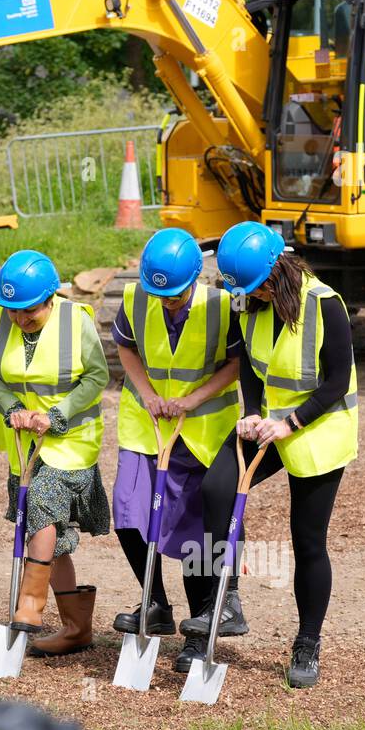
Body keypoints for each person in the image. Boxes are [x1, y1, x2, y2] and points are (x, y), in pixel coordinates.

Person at [196, 221, 358, 688]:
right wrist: (250, 411)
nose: (252, 296)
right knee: (215, 489)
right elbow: (247, 359)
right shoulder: (246, 298)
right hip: (267, 421)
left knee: (307, 541)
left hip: (318, 427)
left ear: (277, 271)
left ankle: (307, 643)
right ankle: (227, 601)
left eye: (258, 288)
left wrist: (289, 423)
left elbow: (336, 381)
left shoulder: (324, 304)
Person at [110, 228, 241, 674]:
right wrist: (147, 393)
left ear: (195, 280)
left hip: (200, 428)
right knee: (127, 511)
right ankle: (155, 604)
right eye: (160, 293)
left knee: (192, 529)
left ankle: (200, 627)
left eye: (176, 294)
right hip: (146, 423)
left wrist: (192, 400)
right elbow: (126, 348)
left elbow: (237, 364)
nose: (167, 301)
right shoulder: (137, 297)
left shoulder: (220, 306)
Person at [0, 250, 109, 657]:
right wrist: (12, 407)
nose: (19, 319)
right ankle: (76, 628)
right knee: (45, 531)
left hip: (71, 439)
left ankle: (30, 605)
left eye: (28, 312)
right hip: (25, 442)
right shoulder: (0, 319)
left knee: (42, 504)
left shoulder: (76, 321)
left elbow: (97, 376)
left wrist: (56, 414)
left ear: (51, 298)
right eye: (12, 311)